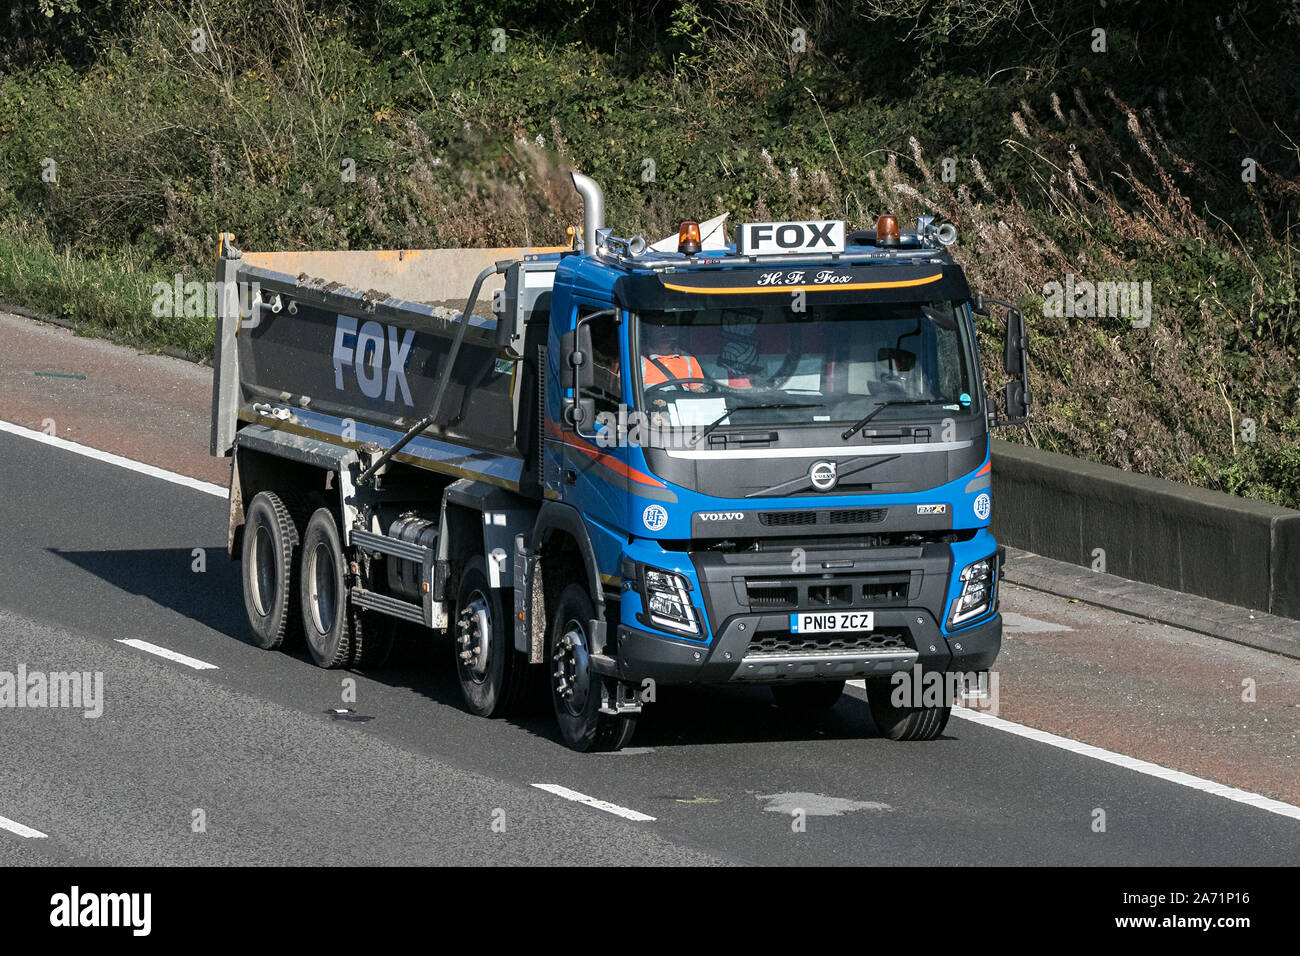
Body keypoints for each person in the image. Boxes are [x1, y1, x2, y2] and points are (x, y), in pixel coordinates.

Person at [641, 323, 706, 390]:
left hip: (682, 399)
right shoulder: (638, 359)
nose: (664, 332)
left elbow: (698, 390)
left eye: (668, 328)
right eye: (659, 328)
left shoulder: (689, 359)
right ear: (650, 333)